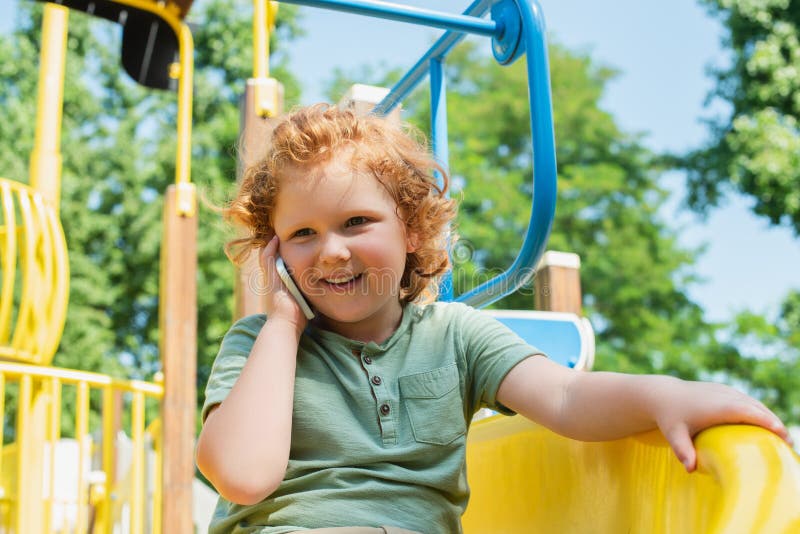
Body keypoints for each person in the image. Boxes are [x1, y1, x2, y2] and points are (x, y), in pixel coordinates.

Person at [195, 104, 791, 534]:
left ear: (410, 228)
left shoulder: (455, 336)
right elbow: (243, 476)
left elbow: (565, 397)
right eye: (302, 234)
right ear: (276, 254)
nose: (330, 251)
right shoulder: (262, 347)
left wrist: (666, 396)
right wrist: (280, 322)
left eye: (355, 223)